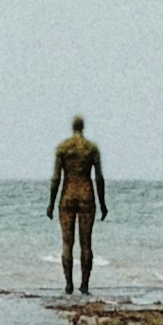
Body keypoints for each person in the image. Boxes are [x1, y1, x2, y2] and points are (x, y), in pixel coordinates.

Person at [45, 116, 106, 295]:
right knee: (86, 243)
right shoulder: (91, 148)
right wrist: (103, 203)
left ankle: (69, 284)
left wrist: (50, 203)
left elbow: (56, 178)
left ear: (72, 127)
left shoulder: (63, 148)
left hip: (68, 196)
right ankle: (85, 285)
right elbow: (99, 178)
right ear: (83, 127)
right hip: (87, 194)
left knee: (67, 243)